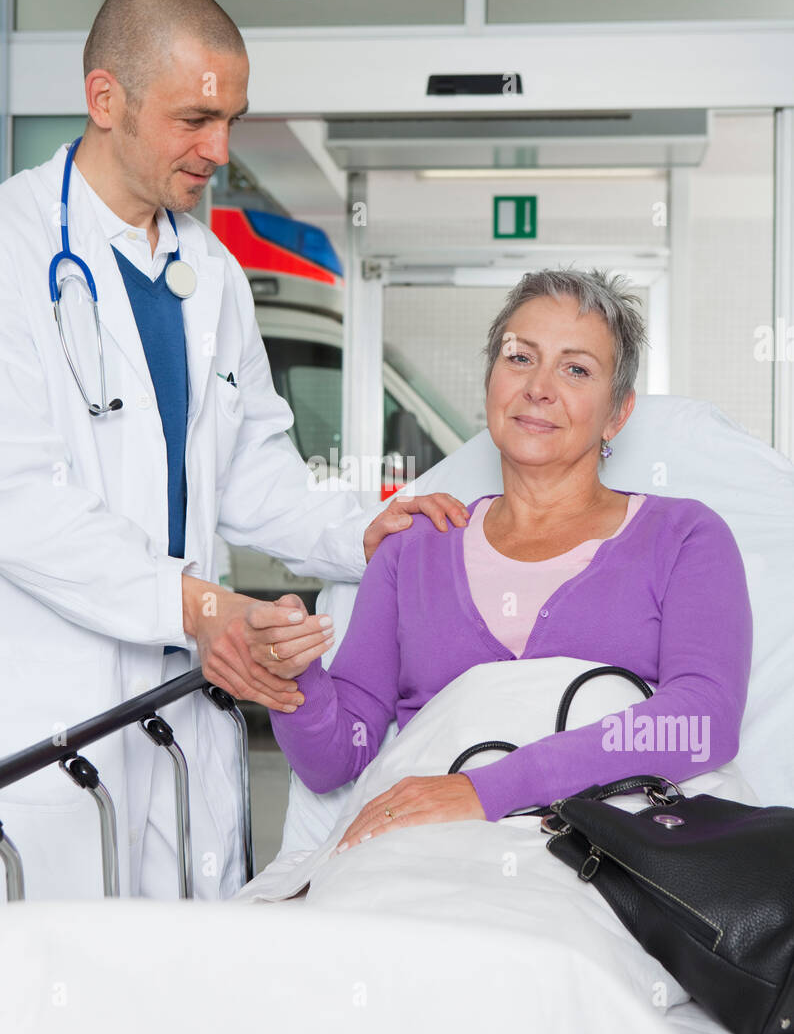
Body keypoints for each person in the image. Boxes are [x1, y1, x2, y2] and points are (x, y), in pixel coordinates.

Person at [0, 0, 466, 947]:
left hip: (171, 707)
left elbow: (254, 471)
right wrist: (204, 606)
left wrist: (360, 530)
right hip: (38, 710)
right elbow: (9, 500)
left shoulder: (209, 271)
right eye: (194, 119)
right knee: (25, 1025)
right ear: (105, 99)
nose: (218, 150)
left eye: (231, 118)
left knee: (167, 1010)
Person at [266, 270, 753, 850]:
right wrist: (291, 677)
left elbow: (701, 721)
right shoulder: (415, 546)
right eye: (520, 358)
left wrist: (488, 790)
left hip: (606, 857)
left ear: (617, 414)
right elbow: (334, 760)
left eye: (575, 369)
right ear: (492, 378)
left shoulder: (684, 537)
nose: (539, 388)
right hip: (425, 855)